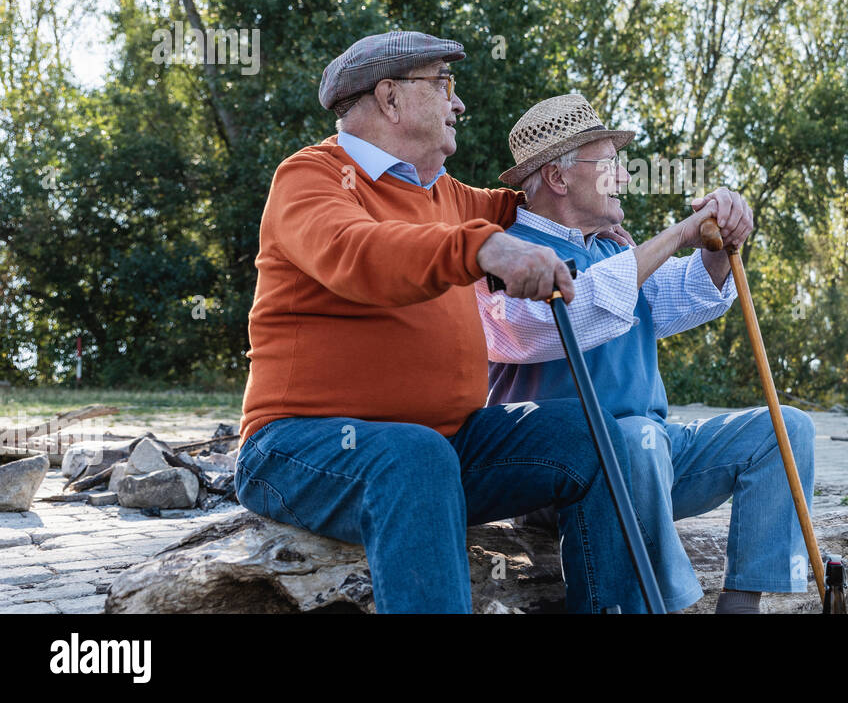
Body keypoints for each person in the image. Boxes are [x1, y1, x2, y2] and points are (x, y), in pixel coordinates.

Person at [235, 33, 651, 613]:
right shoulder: (311, 179)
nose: (459, 104)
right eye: (444, 83)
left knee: (594, 435)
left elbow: (541, 200)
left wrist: (664, 214)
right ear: (390, 97)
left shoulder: (447, 195)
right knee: (412, 455)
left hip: (442, 443)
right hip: (299, 446)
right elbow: (359, 253)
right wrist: (485, 250)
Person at [478, 93, 817, 613]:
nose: (625, 176)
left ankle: (742, 602)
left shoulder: (614, 249)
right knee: (634, 437)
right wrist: (678, 233)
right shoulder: (508, 254)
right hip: (564, 476)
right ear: (558, 177)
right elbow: (562, 319)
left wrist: (714, 245)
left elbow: (686, 296)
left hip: (654, 454)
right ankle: (663, 606)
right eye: (610, 162)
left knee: (785, 428)